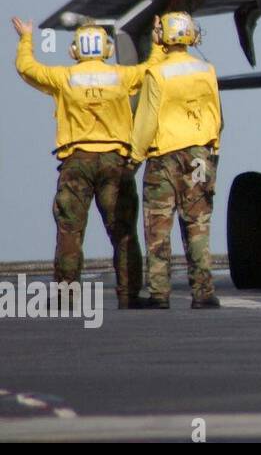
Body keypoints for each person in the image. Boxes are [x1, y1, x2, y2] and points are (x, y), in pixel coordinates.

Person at [12, 15, 164, 309]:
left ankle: (67, 296)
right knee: (123, 231)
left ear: (74, 51)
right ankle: (129, 295)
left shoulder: (65, 78)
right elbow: (151, 70)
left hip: (76, 163)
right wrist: (157, 44)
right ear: (106, 49)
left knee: (70, 230)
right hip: (114, 163)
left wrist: (26, 39)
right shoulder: (120, 76)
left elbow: (27, 69)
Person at [129, 11, 223, 310]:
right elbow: (216, 115)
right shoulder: (206, 70)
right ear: (191, 36)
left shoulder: (157, 74)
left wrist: (133, 158)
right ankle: (203, 292)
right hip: (200, 155)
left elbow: (146, 119)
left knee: (158, 227)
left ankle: (159, 292)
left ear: (162, 38)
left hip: (164, 159)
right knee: (198, 224)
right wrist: (213, 151)